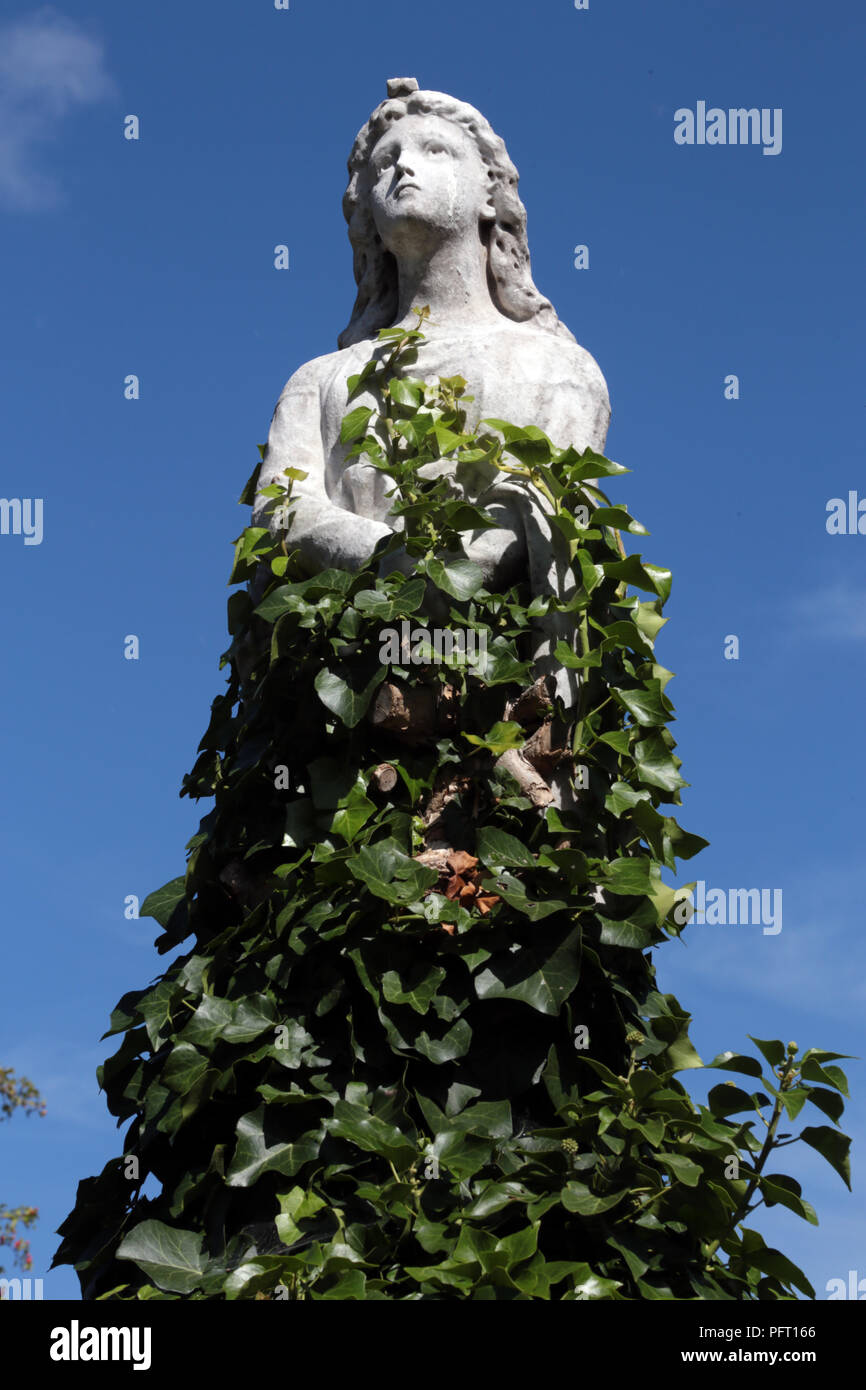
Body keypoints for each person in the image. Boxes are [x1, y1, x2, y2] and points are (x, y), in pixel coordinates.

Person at [252, 78, 611, 710]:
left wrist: (451, 578)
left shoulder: (559, 367)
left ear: (488, 195)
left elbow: (544, 512)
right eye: (386, 161)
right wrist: (392, 561)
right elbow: (282, 511)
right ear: (367, 215)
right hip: (343, 697)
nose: (404, 168)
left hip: (500, 697)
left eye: (435, 152)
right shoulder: (318, 381)